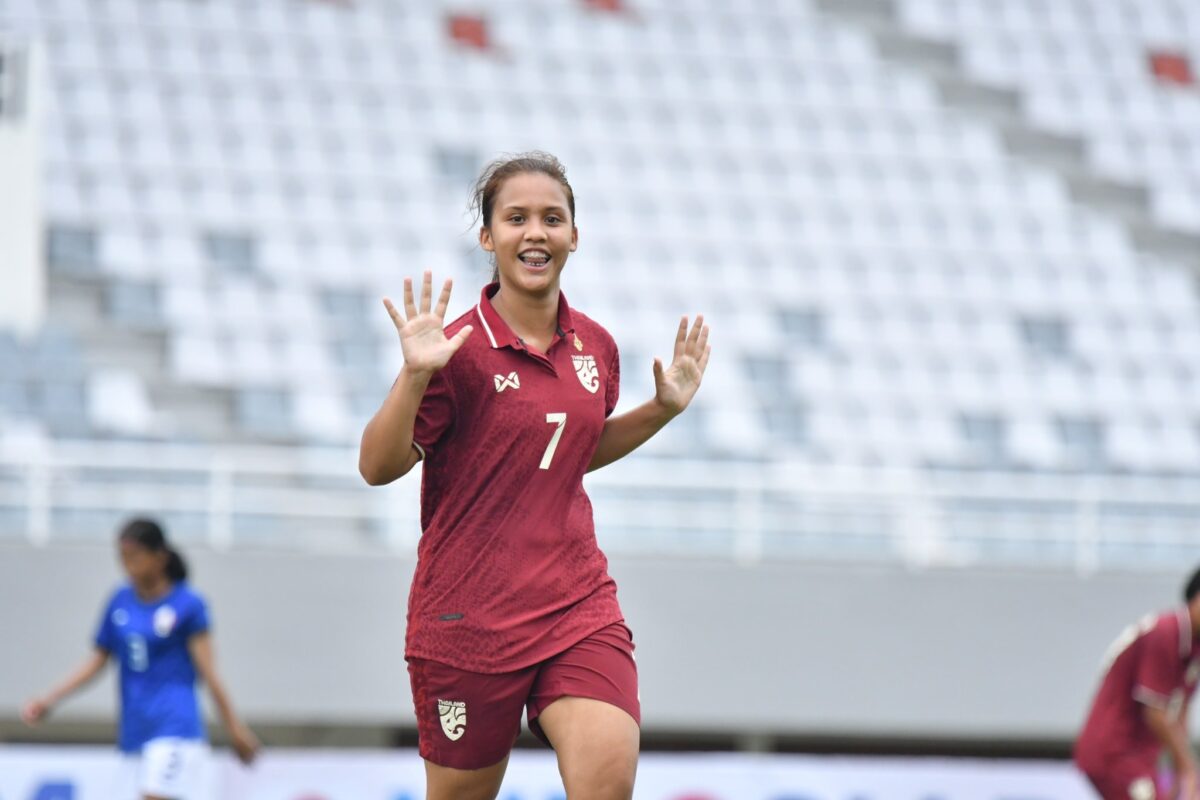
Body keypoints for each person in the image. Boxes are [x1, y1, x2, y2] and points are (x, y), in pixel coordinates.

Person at [359, 151, 710, 800]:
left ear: (574, 234)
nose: (535, 233)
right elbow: (376, 467)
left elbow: (567, 452)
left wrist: (660, 410)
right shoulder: (453, 352)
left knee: (608, 778)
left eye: (552, 218)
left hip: (576, 605)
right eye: (516, 218)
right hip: (469, 622)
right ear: (489, 237)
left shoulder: (597, 348)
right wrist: (413, 375)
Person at [21, 517, 259, 800]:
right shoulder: (120, 601)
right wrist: (49, 700)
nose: (127, 565)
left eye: (134, 557)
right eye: (122, 557)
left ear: (159, 557)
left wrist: (235, 728)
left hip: (174, 728)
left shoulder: (188, 605)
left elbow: (209, 673)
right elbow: (97, 659)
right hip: (135, 731)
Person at [1075, 566, 1200, 800]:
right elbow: (1155, 713)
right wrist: (1187, 767)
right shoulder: (1166, 631)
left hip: (1140, 757)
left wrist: (1176, 774)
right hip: (1114, 751)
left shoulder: (1194, 647)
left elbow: (1180, 711)